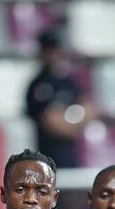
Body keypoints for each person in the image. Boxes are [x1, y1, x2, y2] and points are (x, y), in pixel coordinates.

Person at [24, 29, 90, 169]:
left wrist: (70, 119)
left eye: (57, 49)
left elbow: (89, 108)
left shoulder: (68, 82)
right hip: (46, 159)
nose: (55, 54)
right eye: (50, 50)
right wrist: (74, 121)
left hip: (71, 156)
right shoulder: (38, 85)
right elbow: (51, 122)